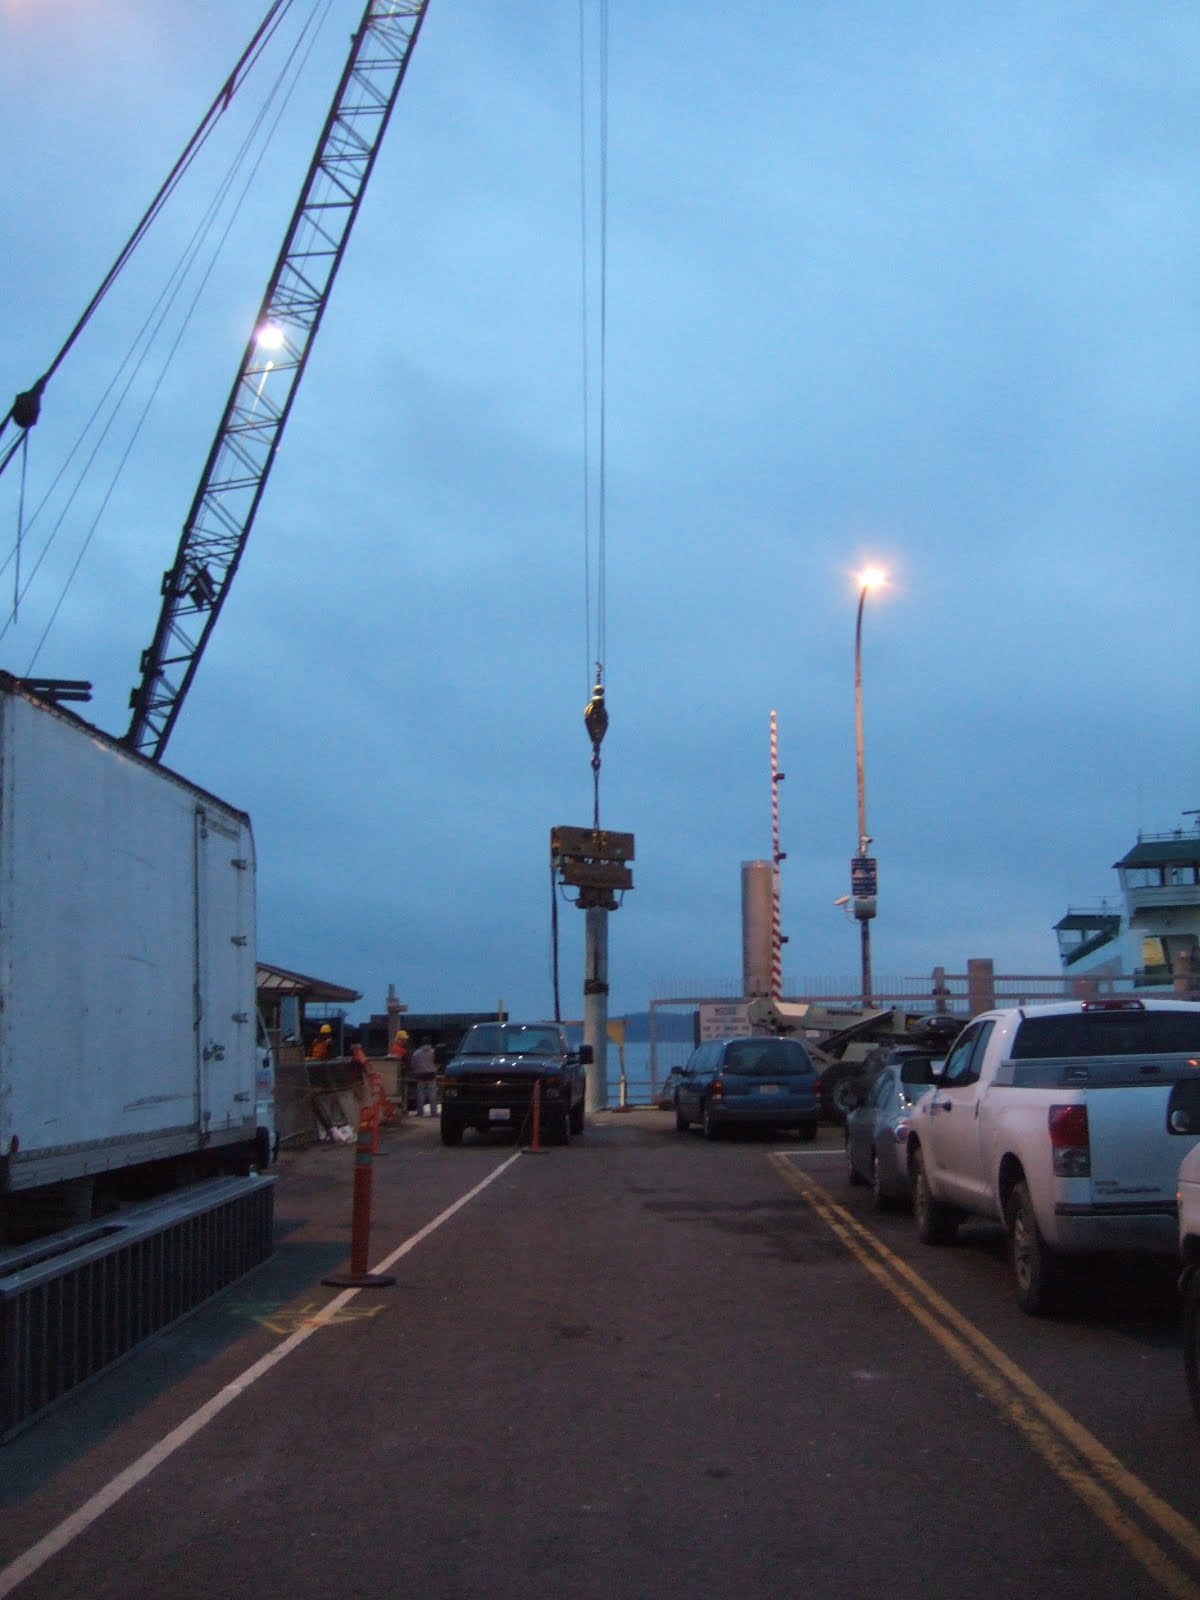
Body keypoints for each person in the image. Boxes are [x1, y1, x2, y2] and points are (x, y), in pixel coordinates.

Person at [410, 1037, 437, 1117]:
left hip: (420, 1075)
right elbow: (437, 1062)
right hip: (431, 1075)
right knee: (432, 1094)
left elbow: (413, 1064)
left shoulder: (416, 1053)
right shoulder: (433, 1052)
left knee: (420, 1094)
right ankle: (434, 1113)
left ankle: (420, 1112)